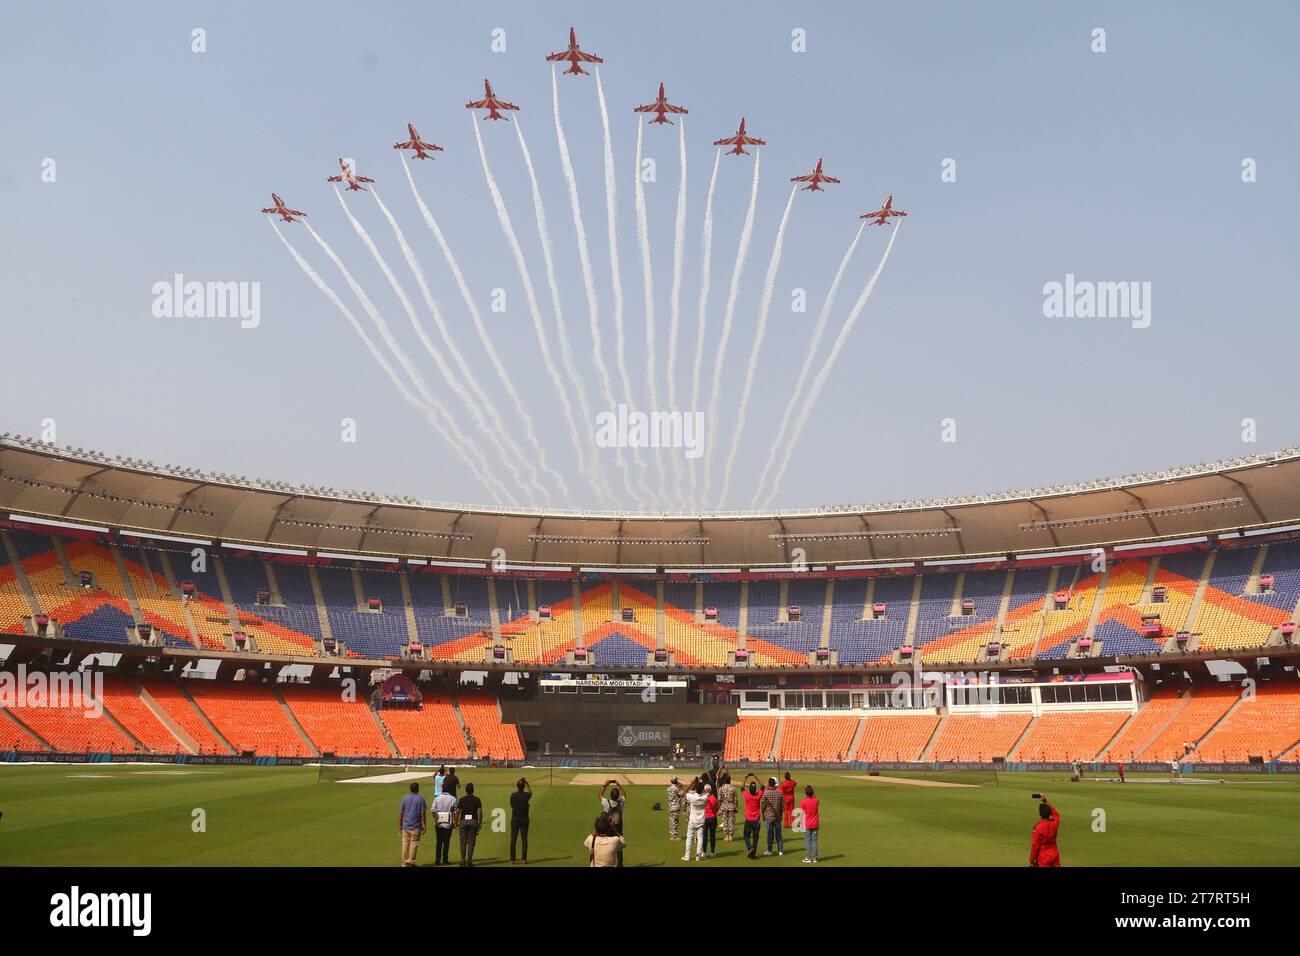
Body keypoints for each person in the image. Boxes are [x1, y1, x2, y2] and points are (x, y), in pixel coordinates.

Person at [454, 782, 484, 867]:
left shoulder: (462, 799)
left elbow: (457, 812)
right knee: (471, 843)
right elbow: (480, 812)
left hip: (463, 822)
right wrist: (480, 823)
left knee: (463, 843)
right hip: (473, 822)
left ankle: (463, 861)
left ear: (466, 790)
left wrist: (456, 822)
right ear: (473, 790)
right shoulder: (477, 800)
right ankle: (469, 862)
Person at [398, 782, 427, 867]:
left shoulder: (405, 798)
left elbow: (401, 812)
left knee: (405, 844)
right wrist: (424, 825)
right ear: (418, 789)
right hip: (416, 826)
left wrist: (400, 824)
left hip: (405, 826)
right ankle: (411, 862)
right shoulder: (421, 799)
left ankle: (404, 862)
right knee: (413, 844)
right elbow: (423, 813)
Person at [599, 779, 627, 866]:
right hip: (618, 829)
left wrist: (605, 785)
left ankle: (608, 863)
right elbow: (624, 794)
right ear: (617, 796)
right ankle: (620, 864)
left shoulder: (606, 803)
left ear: (610, 796)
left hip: (608, 829)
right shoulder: (620, 803)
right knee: (619, 848)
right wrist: (618, 784)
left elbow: (600, 795)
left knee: (608, 846)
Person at [1029, 794, 1061, 868]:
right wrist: (1046, 802)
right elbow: (1056, 814)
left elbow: (1035, 846)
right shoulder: (1055, 823)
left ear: (1040, 814)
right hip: (1055, 855)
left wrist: (1032, 860)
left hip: (1043, 858)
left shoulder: (1038, 828)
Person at [681, 777, 708, 861]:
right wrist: (701, 784)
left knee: (689, 837)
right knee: (700, 837)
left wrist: (692, 783)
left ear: (696, 789)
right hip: (701, 820)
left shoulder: (693, 797)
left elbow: (685, 792)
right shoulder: (705, 797)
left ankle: (687, 855)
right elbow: (706, 792)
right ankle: (698, 856)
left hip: (692, 820)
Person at [431, 783, 457, 866]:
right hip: (448, 823)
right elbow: (455, 811)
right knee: (446, 842)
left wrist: (435, 818)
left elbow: (433, 810)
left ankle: (437, 860)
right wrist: (454, 821)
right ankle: (445, 859)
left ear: (442, 789)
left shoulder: (437, 798)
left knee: (439, 842)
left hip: (439, 823)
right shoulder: (453, 798)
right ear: (449, 790)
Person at [510, 777, 532, 864]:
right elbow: (531, 792)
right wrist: (526, 782)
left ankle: (512, 859)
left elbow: (512, 805)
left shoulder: (513, 795)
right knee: (524, 839)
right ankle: (524, 859)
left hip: (515, 819)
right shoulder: (526, 795)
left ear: (517, 786)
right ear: (523, 786)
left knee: (513, 839)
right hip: (524, 819)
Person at [741, 773, 763, 859]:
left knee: (746, 836)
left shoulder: (747, 795)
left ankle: (750, 849)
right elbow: (762, 787)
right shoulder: (758, 795)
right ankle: (753, 851)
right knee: (755, 837)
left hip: (749, 820)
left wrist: (745, 777)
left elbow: (742, 788)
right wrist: (756, 777)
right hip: (756, 820)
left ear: (749, 789)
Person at [761, 777, 784, 856]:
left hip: (769, 816)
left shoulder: (766, 793)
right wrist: (781, 815)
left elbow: (763, 805)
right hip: (777, 817)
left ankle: (769, 850)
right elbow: (782, 806)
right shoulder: (779, 793)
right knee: (779, 834)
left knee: (769, 835)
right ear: (775, 784)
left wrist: (762, 814)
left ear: (768, 784)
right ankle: (780, 850)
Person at [799, 785, 820, 863]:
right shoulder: (816, 800)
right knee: (814, 841)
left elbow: (801, 812)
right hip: (815, 823)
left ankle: (808, 857)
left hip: (807, 823)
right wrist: (813, 795)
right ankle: (815, 858)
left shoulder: (803, 801)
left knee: (808, 841)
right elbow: (816, 798)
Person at [718, 773, 738, 842]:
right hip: (731, 805)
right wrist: (736, 807)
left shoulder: (721, 788)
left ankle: (726, 836)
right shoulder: (733, 788)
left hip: (724, 806)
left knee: (725, 821)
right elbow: (736, 799)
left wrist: (720, 807)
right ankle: (731, 836)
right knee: (731, 821)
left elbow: (719, 799)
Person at [702, 784, 719, 857]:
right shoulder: (713, 798)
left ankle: (704, 852)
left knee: (704, 835)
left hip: (705, 818)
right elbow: (717, 807)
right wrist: (715, 811)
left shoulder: (703, 798)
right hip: (712, 817)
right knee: (712, 836)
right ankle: (712, 852)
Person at [666, 776, 683, 840]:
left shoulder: (668, 789)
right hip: (676, 806)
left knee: (671, 821)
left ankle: (672, 835)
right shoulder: (676, 789)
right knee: (675, 821)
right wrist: (681, 787)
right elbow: (682, 794)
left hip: (670, 806)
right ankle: (674, 836)